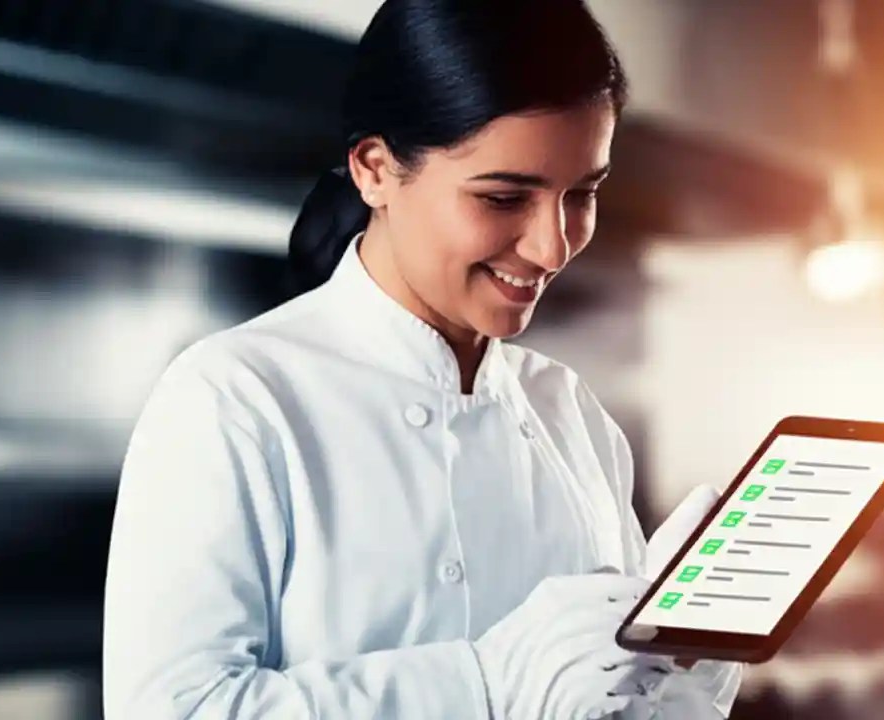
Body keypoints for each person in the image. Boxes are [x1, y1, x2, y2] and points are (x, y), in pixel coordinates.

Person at [102, 0, 743, 717]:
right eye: (504, 197)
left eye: (582, 194)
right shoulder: (234, 398)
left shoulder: (570, 413)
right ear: (375, 169)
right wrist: (484, 686)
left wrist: (680, 672)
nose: (552, 246)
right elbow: (175, 709)